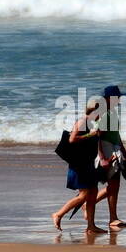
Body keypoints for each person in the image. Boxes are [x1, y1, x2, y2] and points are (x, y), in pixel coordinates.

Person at [51, 99, 106, 234]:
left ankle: (91, 226)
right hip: (80, 165)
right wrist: (90, 134)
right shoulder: (82, 122)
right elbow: (72, 139)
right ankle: (58, 214)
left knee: (93, 193)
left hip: (88, 163)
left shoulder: (92, 123)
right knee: (84, 195)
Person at [96, 85, 126, 230]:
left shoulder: (111, 112)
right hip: (107, 148)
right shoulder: (104, 113)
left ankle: (89, 205)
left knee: (114, 185)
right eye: (117, 97)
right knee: (114, 183)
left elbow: (116, 134)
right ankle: (112, 218)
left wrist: (124, 152)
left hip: (114, 148)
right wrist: (103, 157)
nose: (119, 99)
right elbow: (98, 137)